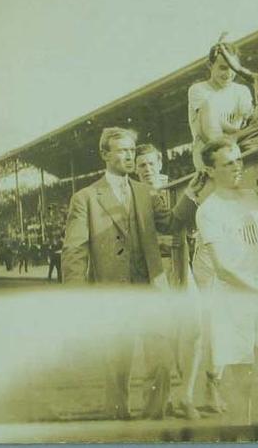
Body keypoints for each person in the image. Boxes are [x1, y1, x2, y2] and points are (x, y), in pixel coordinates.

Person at [61, 127, 203, 420]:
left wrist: (192, 194)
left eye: (131, 150)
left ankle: (153, 421)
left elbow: (172, 223)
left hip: (150, 289)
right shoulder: (86, 198)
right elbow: (74, 250)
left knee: (162, 361)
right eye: (122, 150)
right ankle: (118, 424)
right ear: (104, 154)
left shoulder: (145, 192)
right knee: (117, 364)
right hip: (112, 293)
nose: (129, 155)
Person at [195, 137, 258, 425]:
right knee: (243, 387)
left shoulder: (252, 197)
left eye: (238, 160)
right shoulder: (209, 211)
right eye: (228, 163)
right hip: (233, 304)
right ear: (211, 171)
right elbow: (222, 269)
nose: (237, 167)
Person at [134, 143, 203, 421]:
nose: (147, 170)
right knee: (164, 337)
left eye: (151, 164)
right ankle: (164, 402)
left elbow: (188, 221)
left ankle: (185, 395)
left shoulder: (178, 186)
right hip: (155, 271)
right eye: (141, 166)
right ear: (136, 170)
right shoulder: (135, 194)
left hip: (182, 265)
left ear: (160, 164)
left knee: (195, 329)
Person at [188, 41, 254, 169]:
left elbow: (250, 115)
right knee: (209, 107)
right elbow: (213, 123)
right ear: (210, 65)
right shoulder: (198, 89)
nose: (228, 73)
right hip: (207, 153)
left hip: (235, 149)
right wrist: (245, 132)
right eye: (223, 68)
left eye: (232, 68)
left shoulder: (242, 90)